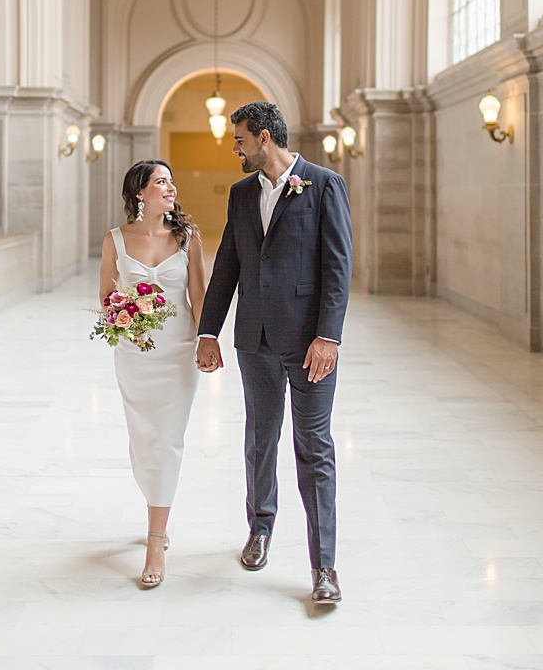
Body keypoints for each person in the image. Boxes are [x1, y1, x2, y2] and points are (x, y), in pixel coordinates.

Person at [196, 100, 352, 605]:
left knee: (315, 449)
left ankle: (324, 566)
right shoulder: (241, 195)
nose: (233, 146)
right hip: (255, 341)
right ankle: (260, 529)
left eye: (239, 138)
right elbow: (227, 266)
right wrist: (208, 332)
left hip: (310, 346)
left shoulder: (323, 184)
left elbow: (337, 269)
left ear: (264, 137)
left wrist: (328, 336)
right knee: (261, 440)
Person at [97, 160, 206, 588]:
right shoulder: (114, 241)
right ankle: (153, 501)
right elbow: (107, 298)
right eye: (161, 181)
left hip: (178, 354)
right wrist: (125, 316)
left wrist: (207, 342)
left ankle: (156, 540)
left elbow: (199, 294)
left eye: (172, 180)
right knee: (143, 440)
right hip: (134, 354)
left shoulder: (187, 238)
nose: (171, 187)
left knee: (168, 440)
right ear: (139, 192)